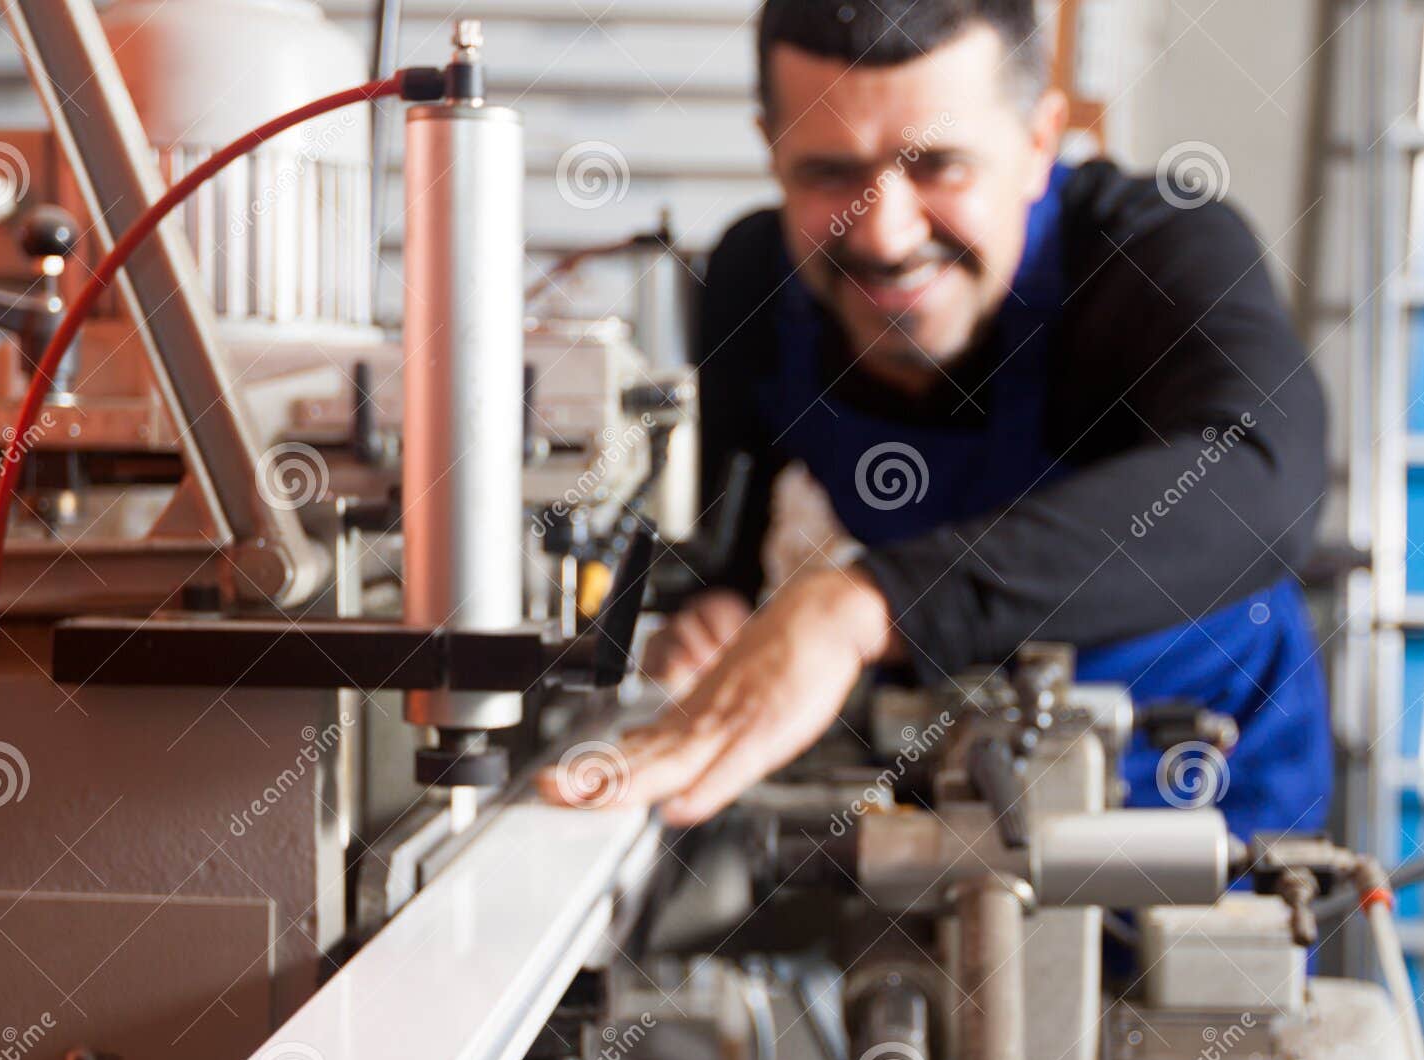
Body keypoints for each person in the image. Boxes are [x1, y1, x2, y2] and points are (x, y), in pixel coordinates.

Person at [541, 0, 1331, 840]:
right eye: (828, 173)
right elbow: (722, 556)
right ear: (772, 149)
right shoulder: (756, 284)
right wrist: (713, 623)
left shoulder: (1154, 251)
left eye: (940, 166)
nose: (884, 234)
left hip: (1209, 789)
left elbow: (1262, 472)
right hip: (940, 780)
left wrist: (865, 607)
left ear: (1038, 142)